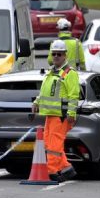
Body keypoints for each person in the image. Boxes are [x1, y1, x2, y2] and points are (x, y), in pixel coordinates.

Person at [32, 40, 80, 181]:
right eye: (54, 54)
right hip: (50, 115)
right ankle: (66, 168)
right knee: (50, 143)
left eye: (59, 54)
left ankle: (52, 171)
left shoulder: (69, 73)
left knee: (54, 145)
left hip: (61, 116)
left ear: (65, 55)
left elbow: (73, 95)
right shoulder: (51, 73)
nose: (56, 56)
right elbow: (44, 92)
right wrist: (36, 102)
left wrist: (71, 114)